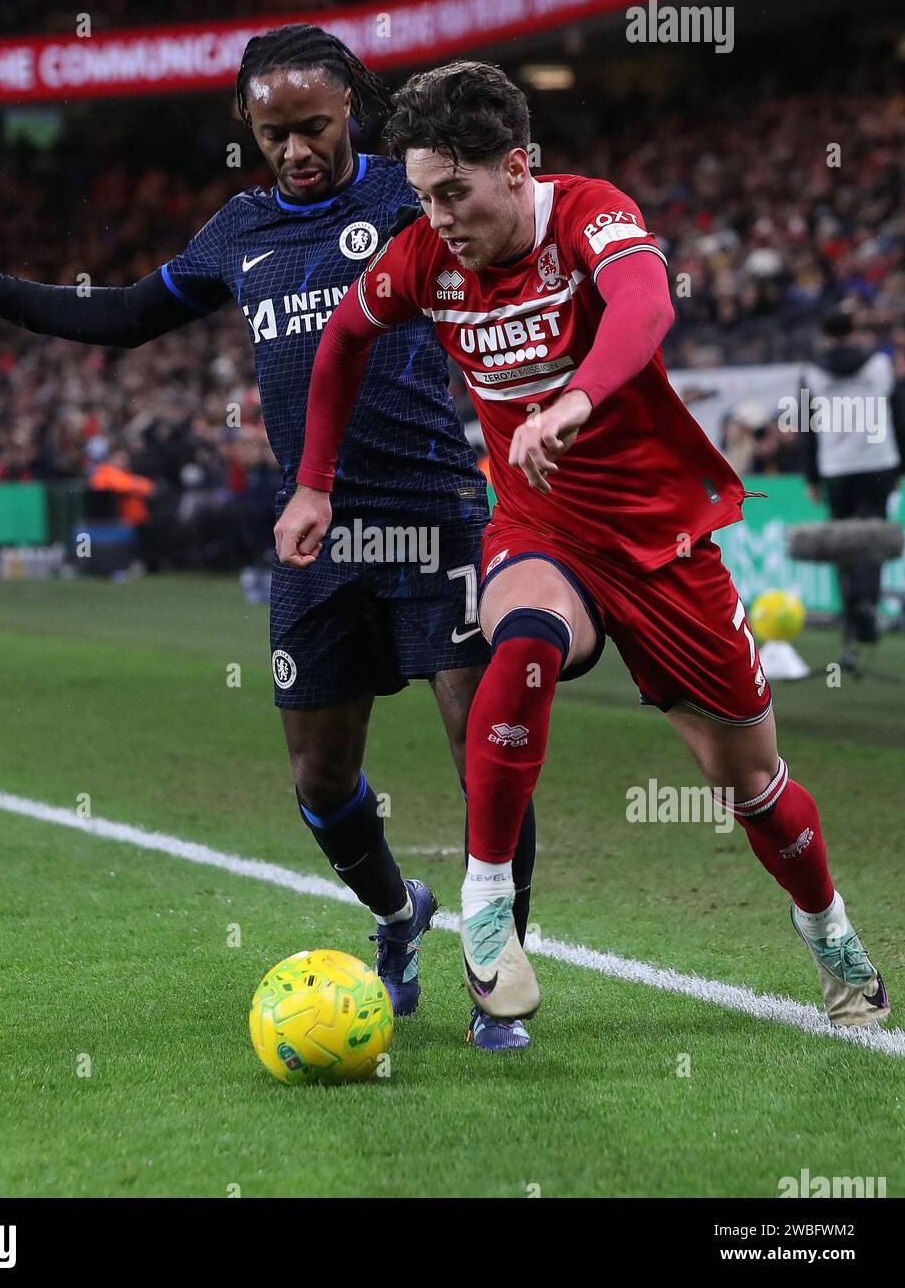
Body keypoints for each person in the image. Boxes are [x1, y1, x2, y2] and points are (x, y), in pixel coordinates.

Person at [0, 27, 537, 1051]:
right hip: (314, 535)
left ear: (351, 111)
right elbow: (125, 317)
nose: (293, 151)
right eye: (272, 132)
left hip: (436, 519)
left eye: (313, 127)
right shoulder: (238, 231)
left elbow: (517, 223)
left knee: (484, 753)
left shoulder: (410, 199)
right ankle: (396, 915)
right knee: (318, 782)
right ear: (248, 127)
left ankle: (496, 973)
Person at [277, 60, 889, 1031]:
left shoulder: (587, 216)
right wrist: (313, 481)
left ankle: (826, 930)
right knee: (515, 637)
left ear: (516, 168)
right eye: (423, 194)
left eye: (453, 192)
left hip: (660, 544)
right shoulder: (420, 261)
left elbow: (645, 307)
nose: (435, 216)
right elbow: (342, 340)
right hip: (538, 526)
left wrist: (574, 397)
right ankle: (484, 900)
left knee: (751, 784)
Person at [803, 312, 902, 666]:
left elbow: (808, 427)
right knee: (872, 534)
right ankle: (867, 605)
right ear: (854, 331)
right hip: (878, 459)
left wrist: (811, 477)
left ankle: (850, 609)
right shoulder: (878, 364)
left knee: (843, 539)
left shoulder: (812, 371)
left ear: (825, 334)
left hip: (837, 466)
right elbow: (897, 410)